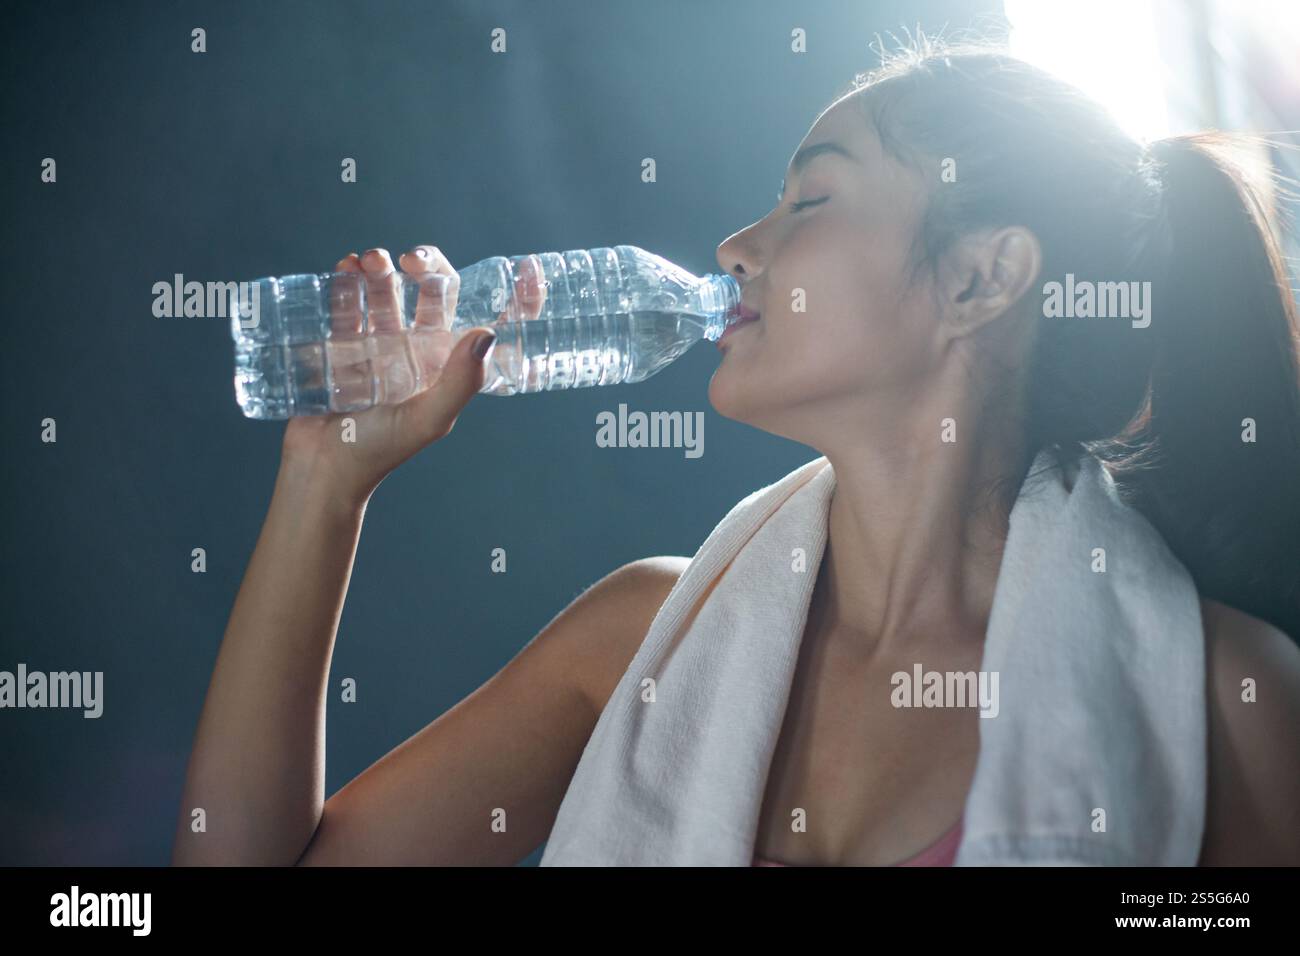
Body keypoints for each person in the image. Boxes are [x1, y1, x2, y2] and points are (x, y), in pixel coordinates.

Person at [173, 37, 1300, 867]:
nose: (734, 247)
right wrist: (326, 480)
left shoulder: (1218, 698)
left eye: (809, 196)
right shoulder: (639, 640)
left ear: (979, 278)